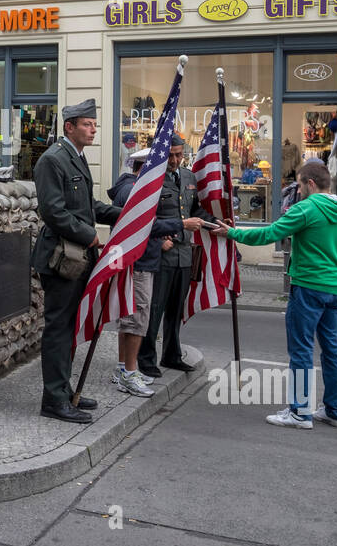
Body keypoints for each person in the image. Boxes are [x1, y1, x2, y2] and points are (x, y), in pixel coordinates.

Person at [210, 161, 337, 429]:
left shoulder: (306, 208)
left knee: (301, 350)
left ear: (311, 183)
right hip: (334, 286)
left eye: (300, 184)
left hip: (307, 285)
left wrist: (232, 232)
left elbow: (270, 233)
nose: (298, 190)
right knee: (331, 350)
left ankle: (300, 412)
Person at [31, 99, 122, 423]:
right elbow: (53, 211)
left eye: (94, 124)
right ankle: (54, 400)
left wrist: (123, 215)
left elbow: (87, 206)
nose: (93, 128)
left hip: (75, 256)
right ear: (69, 127)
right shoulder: (53, 160)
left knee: (68, 327)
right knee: (59, 328)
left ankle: (63, 391)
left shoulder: (76, 158)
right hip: (61, 257)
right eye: (87, 124)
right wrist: (90, 235)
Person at [107, 148, 183, 396]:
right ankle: (129, 373)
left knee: (129, 318)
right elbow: (142, 225)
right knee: (137, 320)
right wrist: (178, 226)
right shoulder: (133, 191)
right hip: (138, 263)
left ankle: (124, 369)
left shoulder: (132, 188)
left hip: (139, 261)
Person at [140, 136, 206, 378]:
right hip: (163, 254)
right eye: (170, 156)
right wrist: (158, 241)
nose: (175, 160)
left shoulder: (188, 177)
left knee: (176, 309)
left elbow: (193, 209)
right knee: (155, 309)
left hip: (184, 254)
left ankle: (172, 354)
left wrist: (216, 220)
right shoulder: (152, 178)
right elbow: (143, 217)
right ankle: (146, 358)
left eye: (179, 155)